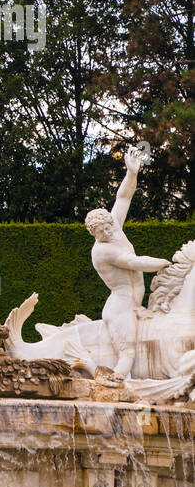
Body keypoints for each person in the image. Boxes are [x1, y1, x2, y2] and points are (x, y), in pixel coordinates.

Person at [85, 146, 170, 378]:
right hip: (120, 306)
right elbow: (134, 262)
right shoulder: (102, 251)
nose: (108, 232)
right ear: (96, 235)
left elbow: (123, 197)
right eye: (102, 232)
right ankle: (116, 378)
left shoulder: (114, 227)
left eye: (108, 227)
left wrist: (131, 173)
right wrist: (164, 264)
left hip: (136, 302)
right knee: (127, 356)